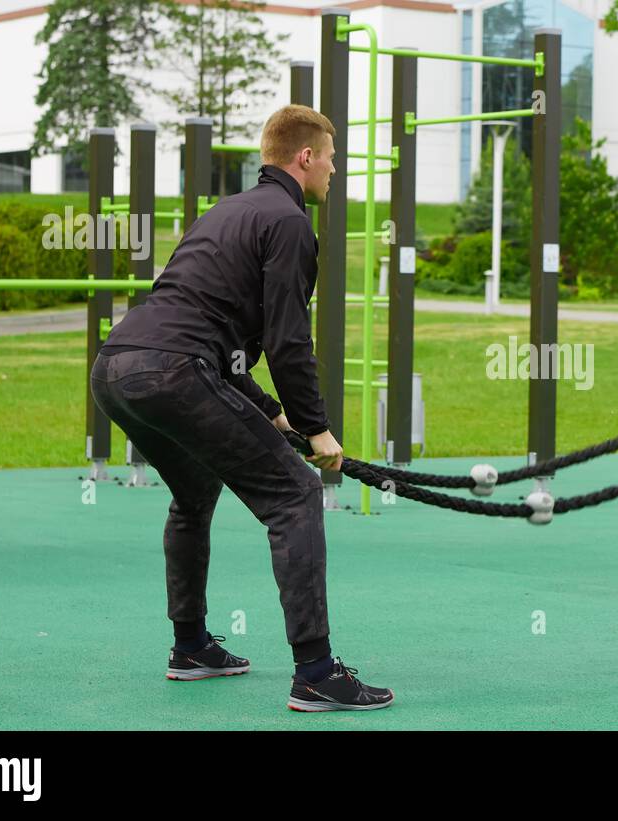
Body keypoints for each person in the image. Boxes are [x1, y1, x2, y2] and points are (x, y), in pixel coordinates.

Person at [89, 104, 393, 713]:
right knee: (296, 495)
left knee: (195, 491)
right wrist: (318, 430)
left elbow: (212, 334)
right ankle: (315, 672)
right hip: (174, 370)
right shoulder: (289, 222)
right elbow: (286, 340)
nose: (335, 170)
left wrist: (272, 415)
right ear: (305, 158)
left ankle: (192, 646)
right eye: (331, 158)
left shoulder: (227, 211)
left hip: (117, 367)